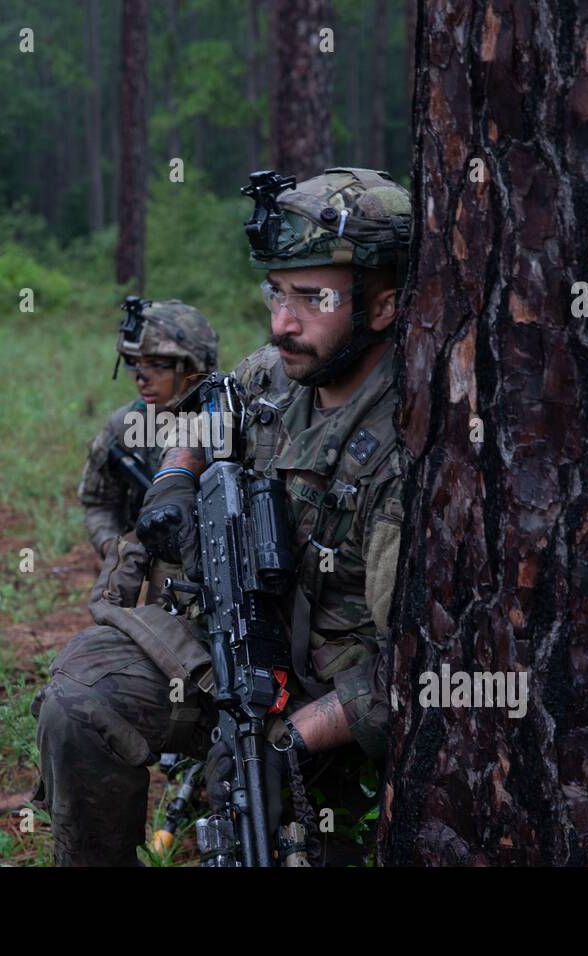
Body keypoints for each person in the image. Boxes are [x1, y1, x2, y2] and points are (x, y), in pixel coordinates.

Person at [32, 166, 414, 866]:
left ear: (383, 306)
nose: (282, 323)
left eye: (312, 299)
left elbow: (415, 670)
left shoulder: (411, 441)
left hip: (336, 711)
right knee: (80, 704)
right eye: (277, 293)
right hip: (226, 661)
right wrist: (177, 480)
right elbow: (214, 410)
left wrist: (293, 737)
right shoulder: (272, 374)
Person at [78, 297, 217, 608]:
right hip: (163, 580)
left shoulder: (231, 420)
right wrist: (114, 546)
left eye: (157, 364)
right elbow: (98, 502)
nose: (142, 376)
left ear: (192, 365)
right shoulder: (125, 427)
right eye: (135, 364)